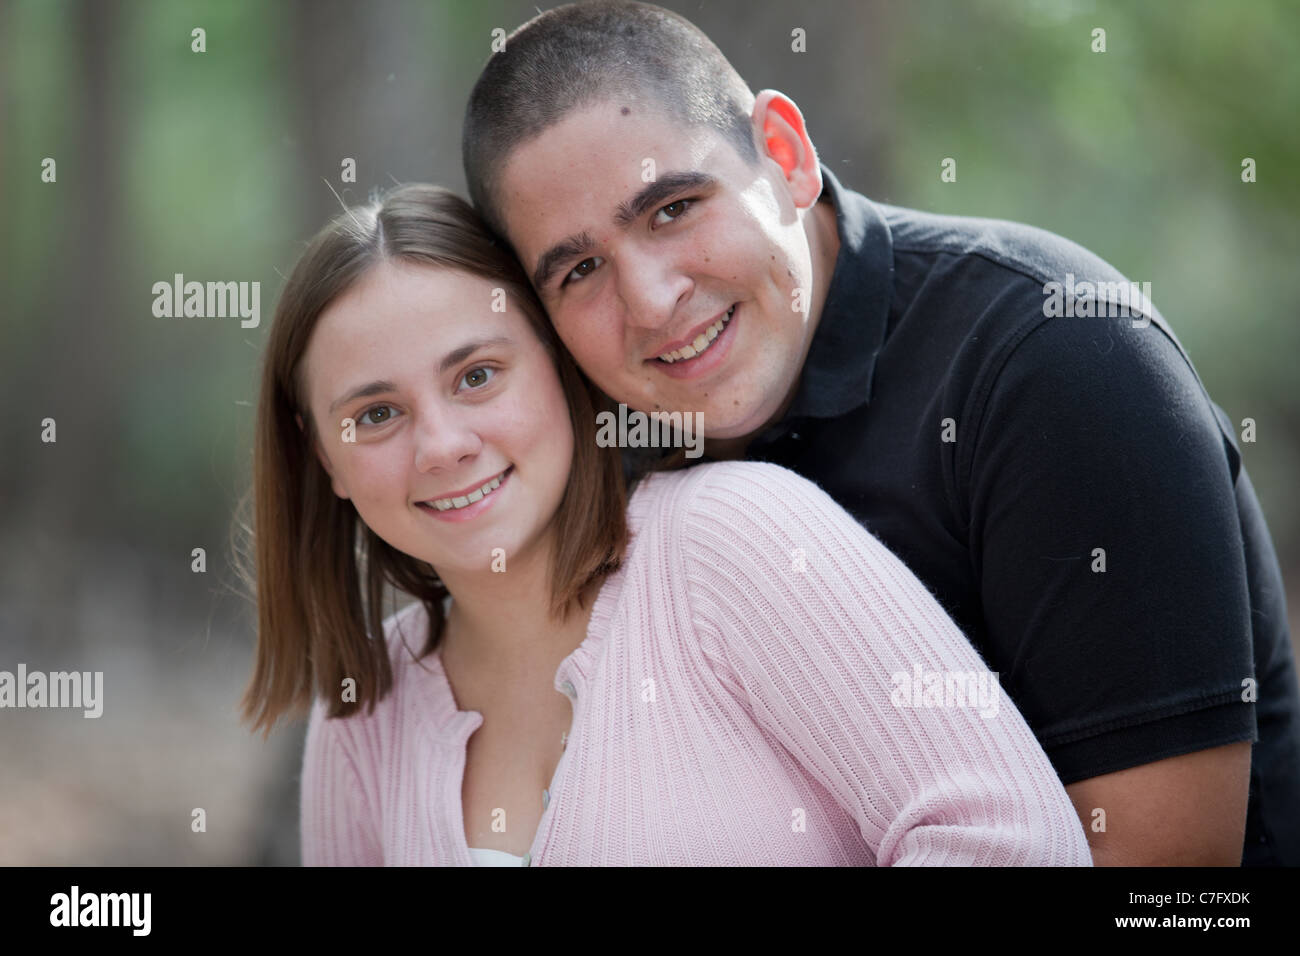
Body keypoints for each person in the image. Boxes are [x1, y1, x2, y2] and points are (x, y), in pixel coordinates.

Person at [460, 1, 1300, 865]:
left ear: (784, 155)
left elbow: (1165, 888)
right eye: (581, 269)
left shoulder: (1055, 357)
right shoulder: (595, 450)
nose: (649, 300)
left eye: (673, 208)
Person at [239, 183, 1092, 866]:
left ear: (559, 370)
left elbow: (1009, 840)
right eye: (378, 415)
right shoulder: (362, 715)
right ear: (325, 460)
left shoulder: (736, 538)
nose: (443, 445)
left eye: (477, 376)